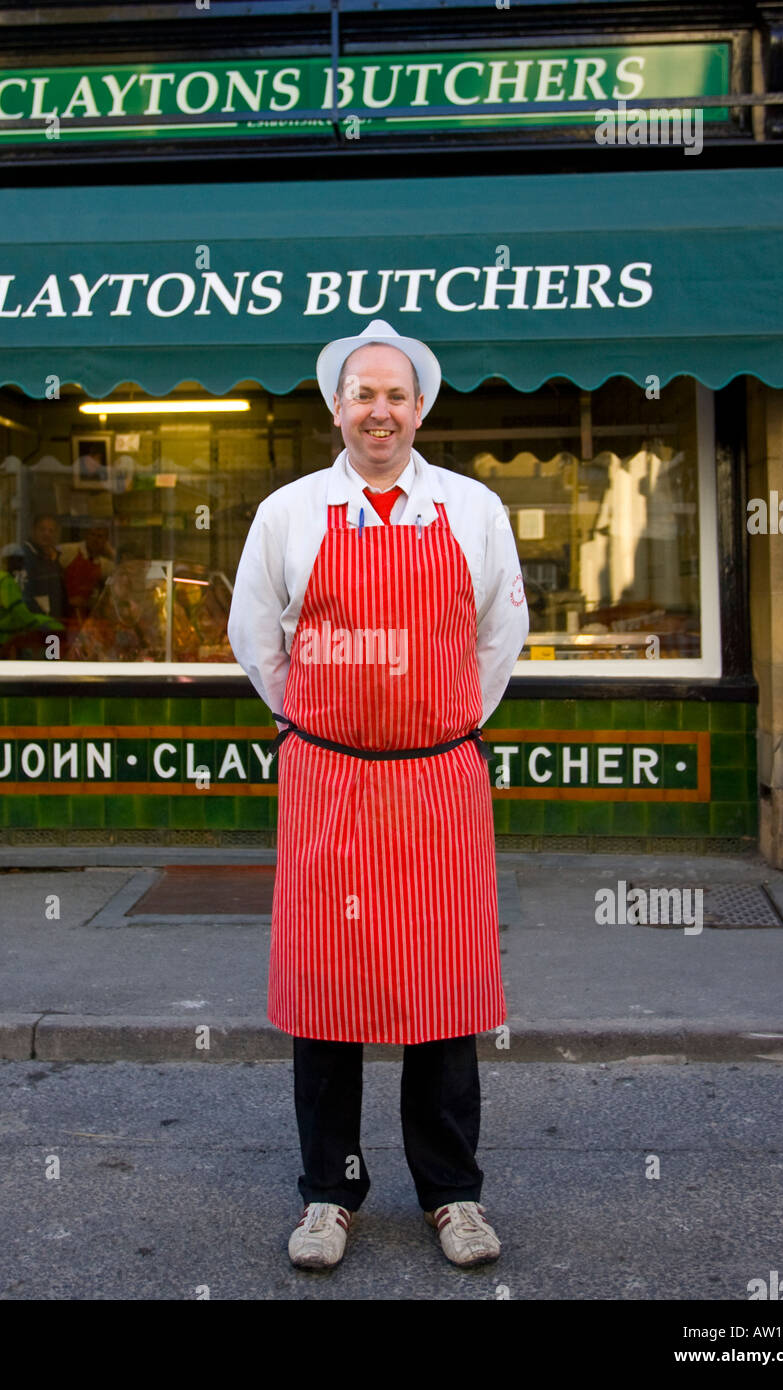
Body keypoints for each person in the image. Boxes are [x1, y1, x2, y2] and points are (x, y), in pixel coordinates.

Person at [227, 319, 529, 1270]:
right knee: (327, 997)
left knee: (443, 997)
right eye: (363, 393)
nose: (379, 410)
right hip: (325, 781)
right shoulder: (288, 513)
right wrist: (316, 729)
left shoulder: (473, 509)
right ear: (335, 407)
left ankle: (453, 1197)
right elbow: (255, 642)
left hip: (438, 779)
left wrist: (431, 729)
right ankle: (329, 1195)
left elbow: (498, 640)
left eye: (396, 395)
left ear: (420, 408)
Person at [0, 544, 64, 659]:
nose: (22, 564)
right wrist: (36, 624)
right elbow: (17, 609)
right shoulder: (7, 581)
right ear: (9, 560)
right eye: (18, 560)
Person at [21, 513, 67, 626]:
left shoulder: (54, 559)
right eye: (42, 529)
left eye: (51, 531)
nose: (47, 534)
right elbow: (25, 597)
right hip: (37, 626)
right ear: (34, 531)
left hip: (53, 623)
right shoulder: (26, 557)